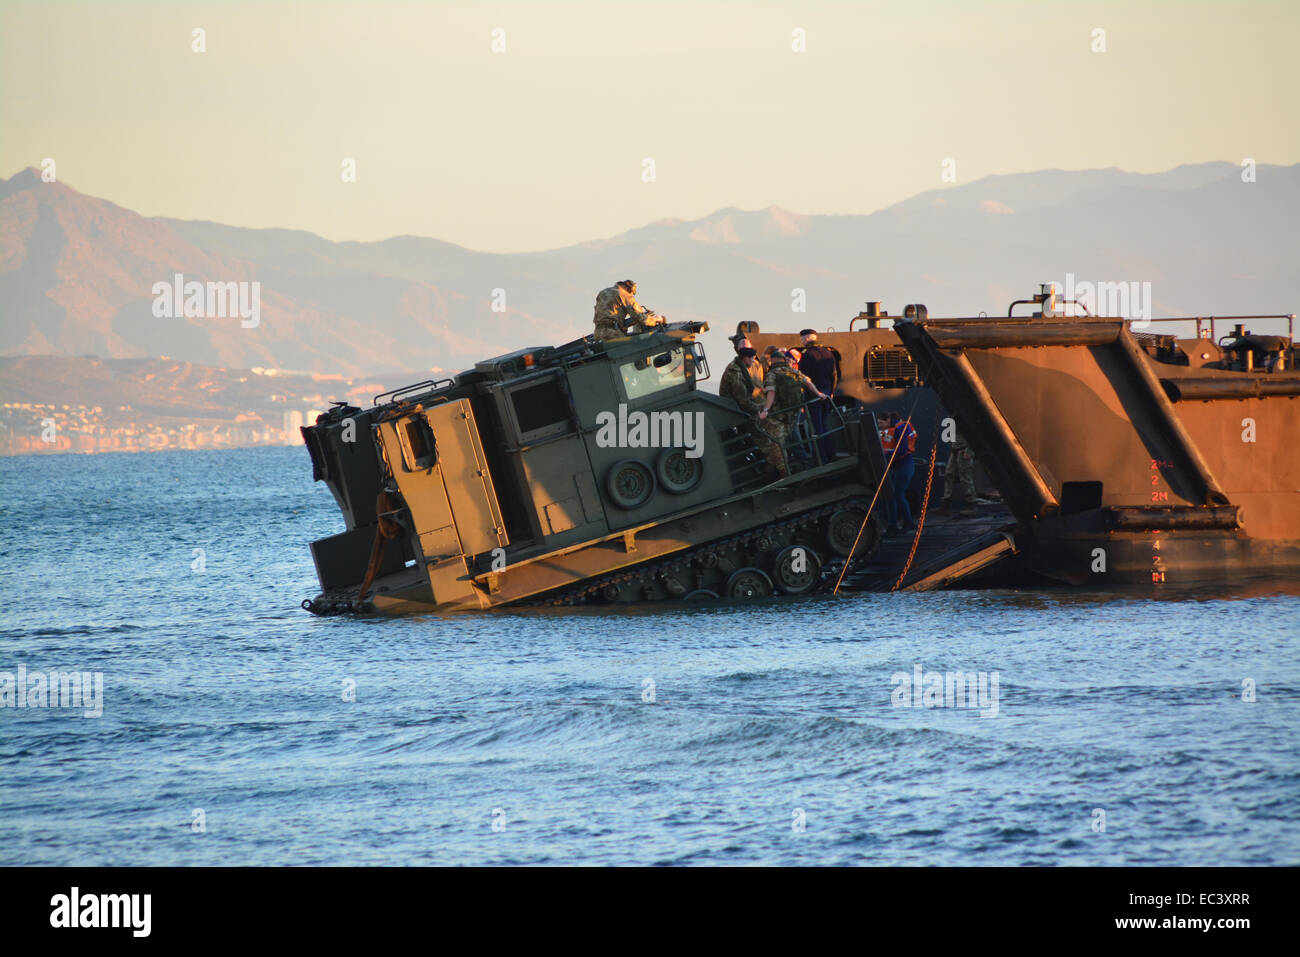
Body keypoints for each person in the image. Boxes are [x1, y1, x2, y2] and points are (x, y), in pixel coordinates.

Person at [759, 347, 826, 474]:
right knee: (794, 436)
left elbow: (771, 392)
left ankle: (784, 471)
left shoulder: (772, 374)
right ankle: (804, 460)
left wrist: (766, 410)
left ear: (772, 361)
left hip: (778, 415)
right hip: (794, 412)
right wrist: (818, 394)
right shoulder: (793, 371)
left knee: (779, 442)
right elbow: (808, 382)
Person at [721, 346, 785, 478]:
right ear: (744, 358)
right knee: (766, 438)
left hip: (749, 407)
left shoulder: (747, 366)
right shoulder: (735, 373)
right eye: (750, 358)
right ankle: (779, 471)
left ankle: (772, 470)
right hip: (737, 411)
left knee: (769, 437)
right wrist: (763, 409)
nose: (753, 360)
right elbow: (743, 401)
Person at [797, 330, 840, 462]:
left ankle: (821, 456)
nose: (802, 342)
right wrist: (831, 392)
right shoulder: (828, 353)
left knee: (817, 426)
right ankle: (831, 454)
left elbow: (803, 378)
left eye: (803, 339)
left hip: (814, 396)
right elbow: (834, 375)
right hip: (827, 395)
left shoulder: (807, 355)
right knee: (825, 425)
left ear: (808, 339)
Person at [881, 412, 917, 533]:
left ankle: (909, 522)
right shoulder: (897, 428)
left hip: (904, 466)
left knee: (898, 494)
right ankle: (893, 526)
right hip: (899, 467)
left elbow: (901, 450)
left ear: (888, 420)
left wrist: (884, 457)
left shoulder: (900, 428)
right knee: (891, 496)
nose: (881, 426)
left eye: (881, 423)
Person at [592, 280, 664, 341]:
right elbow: (639, 317)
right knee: (635, 352)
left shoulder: (603, 293)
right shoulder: (624, 294)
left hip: (598, 333)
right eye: (632, 294)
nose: (632, 296)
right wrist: (655, 320)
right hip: (613, 333)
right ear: (628, 289)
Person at [941, 425, 977, 515]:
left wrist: (969, 450)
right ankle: (946, 503)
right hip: (955, 449)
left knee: (965, 476)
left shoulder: (963, 418)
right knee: (949, 474)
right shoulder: (953, 417)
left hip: (964, 449)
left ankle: (972, 504)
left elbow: (972, 433)